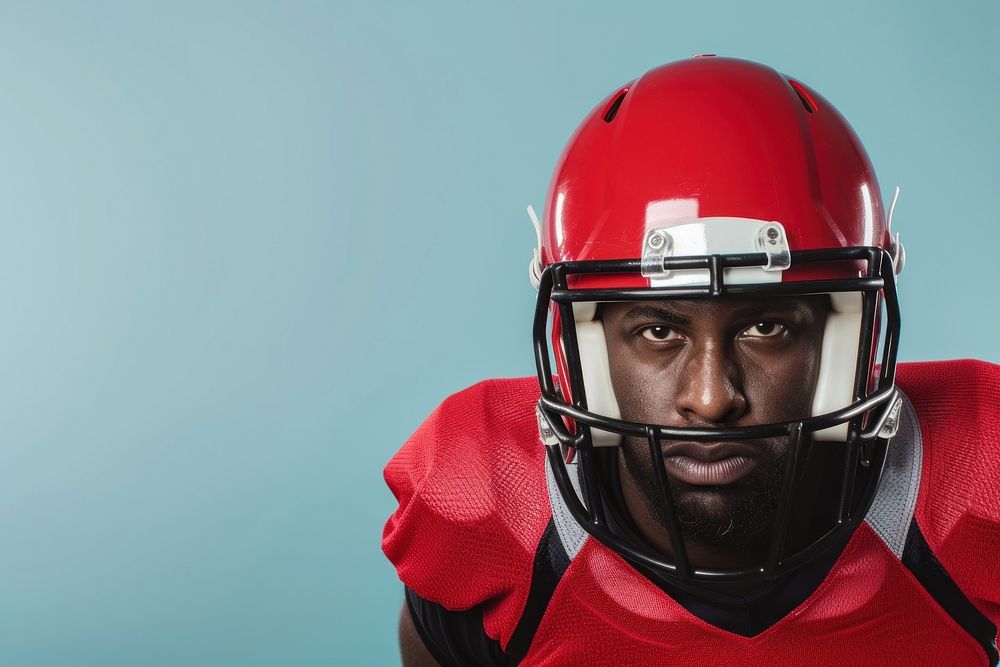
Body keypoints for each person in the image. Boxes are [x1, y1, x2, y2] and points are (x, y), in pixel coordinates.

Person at [382, 56, 1000, 666]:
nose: (710, 398)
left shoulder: (973, 488)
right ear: (585, 350)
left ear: (848, 339)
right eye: (657, 330)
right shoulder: (489, 519)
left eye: (767, 326)